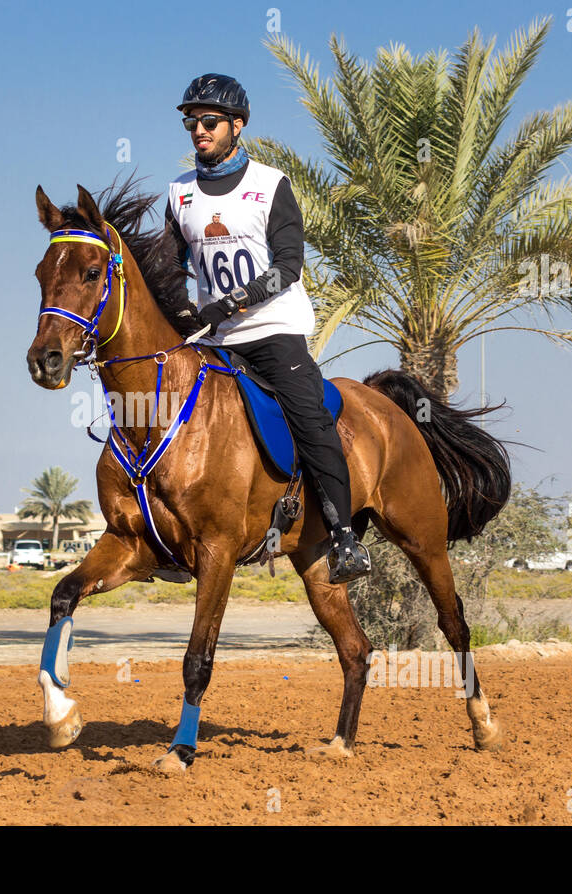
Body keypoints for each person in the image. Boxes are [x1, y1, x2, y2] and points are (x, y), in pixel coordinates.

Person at [164, 73, 371, 583]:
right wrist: (177, 311)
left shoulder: (270, 184)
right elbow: (171, 267)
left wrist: (227, 304)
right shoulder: (179, 193)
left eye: (209, 121)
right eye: (192, 122)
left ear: (237, 125)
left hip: (275, 329)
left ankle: (344, 538)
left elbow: (288, 265)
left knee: (311, 420)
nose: (198, 130)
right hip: (215, 341)